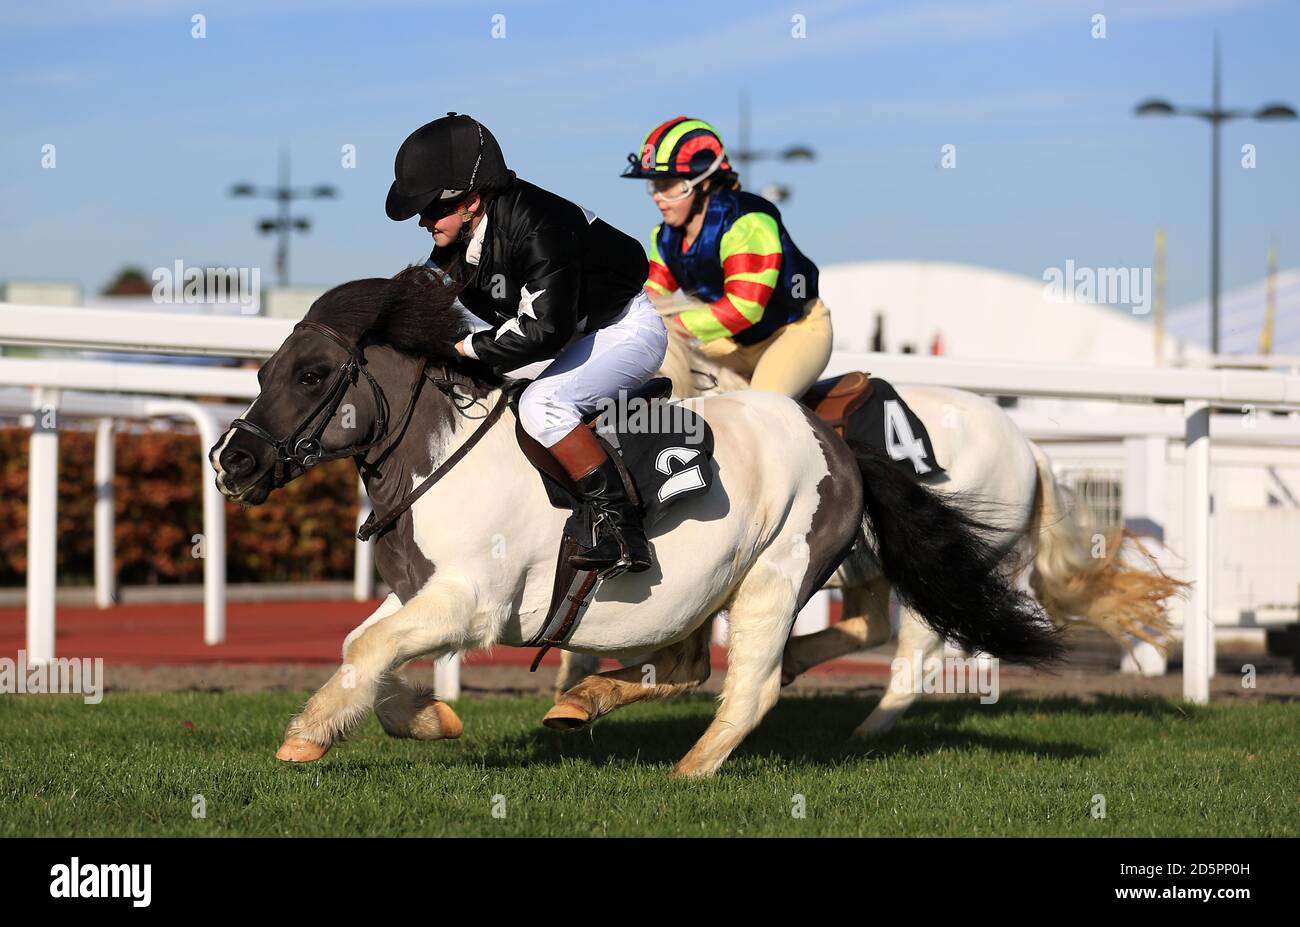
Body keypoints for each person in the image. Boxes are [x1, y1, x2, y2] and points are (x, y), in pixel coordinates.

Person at [387, 112, 666, 572]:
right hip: (568, 337)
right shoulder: (463, 232)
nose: (423, 221)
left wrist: (462, 349)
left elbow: (542, 331)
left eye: (433, 208)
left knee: (541, 406)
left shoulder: (540, 227)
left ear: (472, 201)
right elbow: (429, 296)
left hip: (621, 331)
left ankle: (623, 532)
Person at [621, 116, 832, 398]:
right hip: (733, 342)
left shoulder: (748, 223)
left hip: (793, 333)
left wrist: (673, 327)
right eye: (654, 186)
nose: (658, 196)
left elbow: (745, 307)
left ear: (704, 183)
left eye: (669, 184)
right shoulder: (664, 235)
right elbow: (650, 297)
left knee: (760, 408)